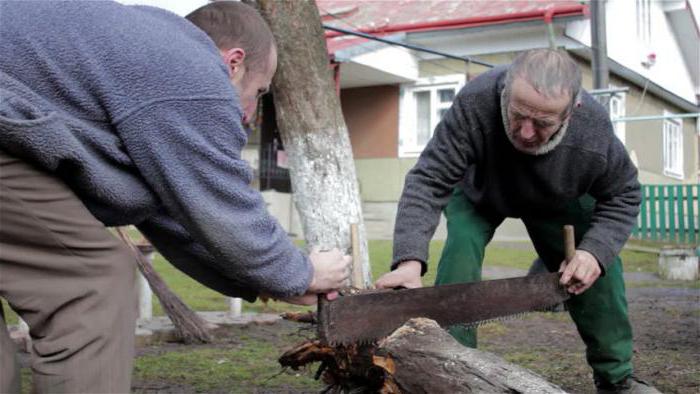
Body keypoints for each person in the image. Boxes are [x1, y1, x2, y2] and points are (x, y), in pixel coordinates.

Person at [0, 1, 350, 393]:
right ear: (233, 63)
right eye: (259, 91)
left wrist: (265, 280)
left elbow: (173, 213)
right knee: (88, 283)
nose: (250, 115)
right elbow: (220, 208)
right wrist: (301, 272)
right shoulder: (193, 70)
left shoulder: (137, 57)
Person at [376, 49, 659, 394]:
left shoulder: (593, 131)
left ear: (573, 111)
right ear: (505, 93)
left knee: (596, 275)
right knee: (460, 253)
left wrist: (595, 253)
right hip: (481, 190)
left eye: (542, 123)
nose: (526, 133)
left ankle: (617, 379)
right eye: (518, 115)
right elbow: (429, 179)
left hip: (559, 198)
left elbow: (624, 195)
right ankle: (451, 368)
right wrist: (408, 262)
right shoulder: (476, 101)